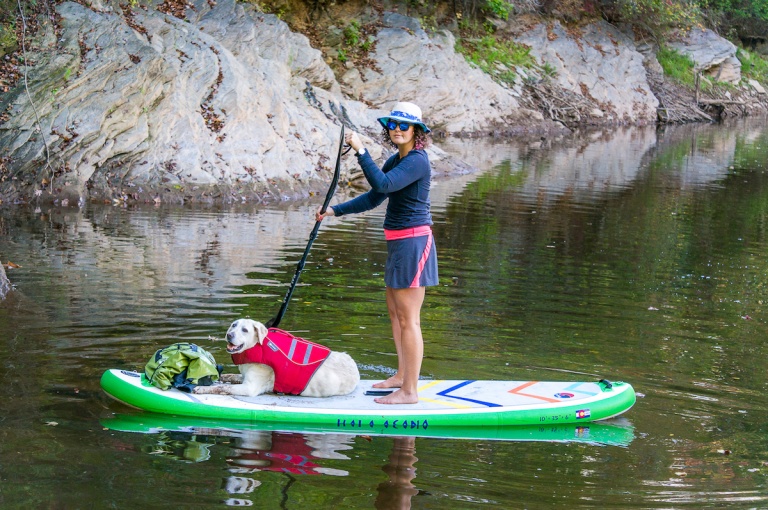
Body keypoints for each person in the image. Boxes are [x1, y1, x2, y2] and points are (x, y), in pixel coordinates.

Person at [315, 101, 438, 405]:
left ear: (416, 131)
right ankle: (400, 376)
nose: (397, 130)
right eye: (393, 125)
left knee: (410, 320)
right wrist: (334, 211)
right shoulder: (397, 161)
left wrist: (360, 151)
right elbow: (374, 197)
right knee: (396, 316)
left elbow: (382, 183)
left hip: (414, 243)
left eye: (404, 126)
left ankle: (410, 391)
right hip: (397, 243)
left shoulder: (418, 161)